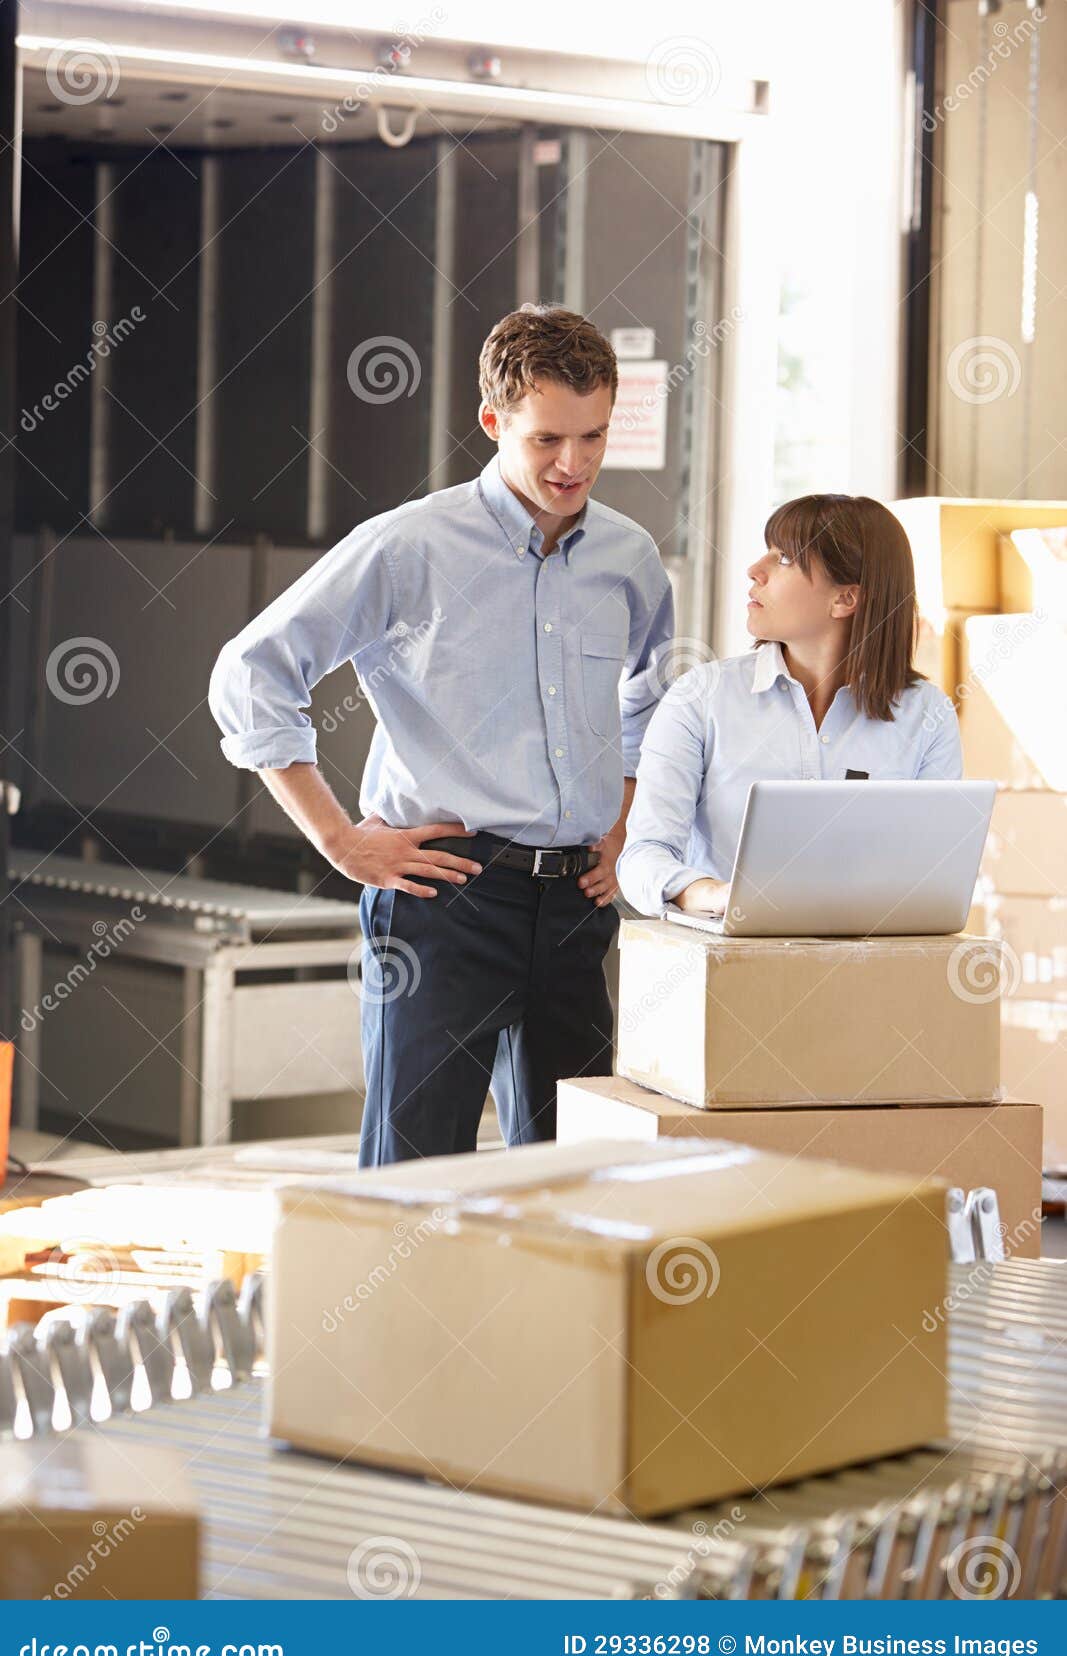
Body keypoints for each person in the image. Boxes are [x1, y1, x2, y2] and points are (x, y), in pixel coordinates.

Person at [209, 303, 674, 1163]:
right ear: (494, 421)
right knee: (412, 1176)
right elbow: (251, 673)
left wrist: (622, 824)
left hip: (575, 907)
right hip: (443, 899)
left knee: (573, 1177)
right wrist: (340, 840)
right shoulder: (406, 547)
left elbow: (650, 694)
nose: (573, 465)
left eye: (594, 438)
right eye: (545, 440)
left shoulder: (630, 557)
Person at [617, 493, 962, 916]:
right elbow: (642, 857)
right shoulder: (700, 698)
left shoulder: (928, 715)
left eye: (783, 559)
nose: (754, 571)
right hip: (730, 961)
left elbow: (938, 876)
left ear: (845, 600)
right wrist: (714, 894)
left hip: (868, 964)